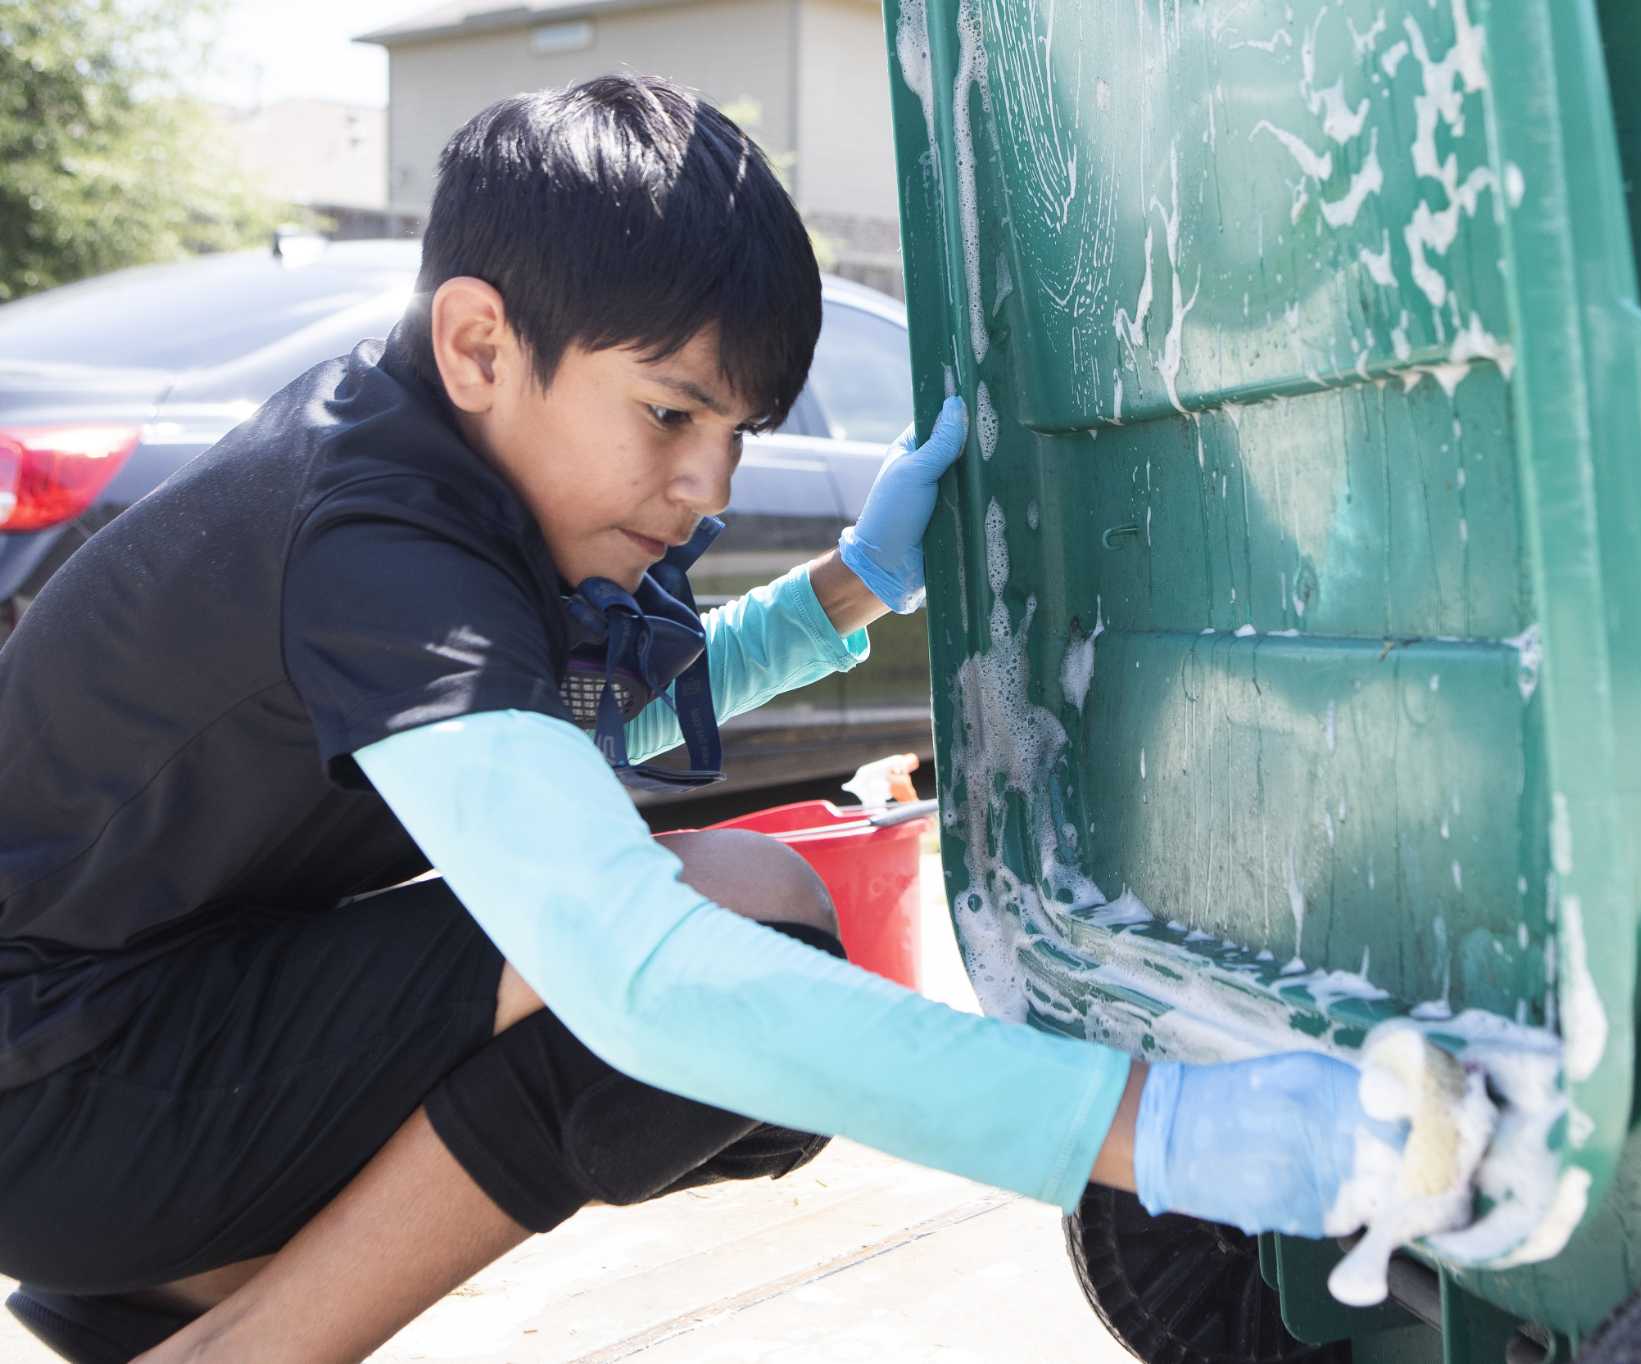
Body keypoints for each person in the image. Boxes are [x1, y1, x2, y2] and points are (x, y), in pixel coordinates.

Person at [0, 75, 1379, 1363]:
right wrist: (1160, 1131)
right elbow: (635, 971)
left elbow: (593, 730)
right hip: (51, 1093)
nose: (704, 486)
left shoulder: (433, 463)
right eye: (670, 414)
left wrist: (853, 586)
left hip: (128, 1034)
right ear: (481, 343)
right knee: (706, 948)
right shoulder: (374, 538)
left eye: (736, 435)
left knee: (733, 957)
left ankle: (175, 1285)